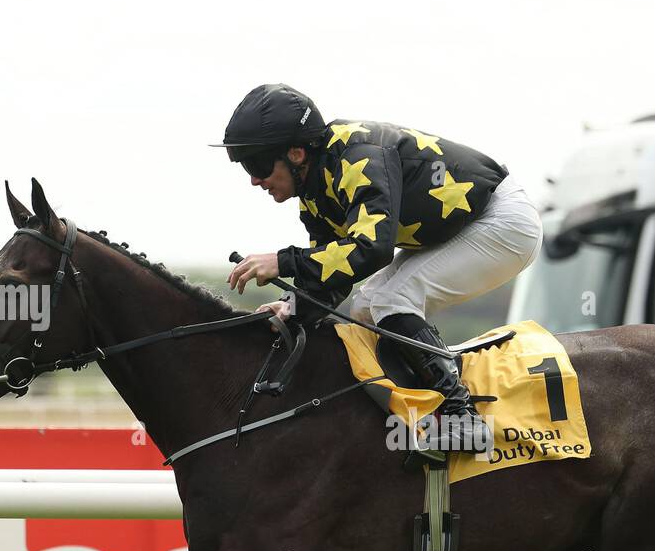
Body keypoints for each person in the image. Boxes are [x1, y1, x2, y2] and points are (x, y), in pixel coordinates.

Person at [219, 83, 543, 455]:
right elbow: (333, 276)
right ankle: (404, 418)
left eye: (258, 165)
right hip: (458, 226)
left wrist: (283, 260)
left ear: (296, 153)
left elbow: (372, 250)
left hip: (501, 221)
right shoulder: (313, 192)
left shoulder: (358, 157)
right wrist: (291, 306)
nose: (254, 180)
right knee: (364, 309)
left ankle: (462, 416)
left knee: (392, 297)